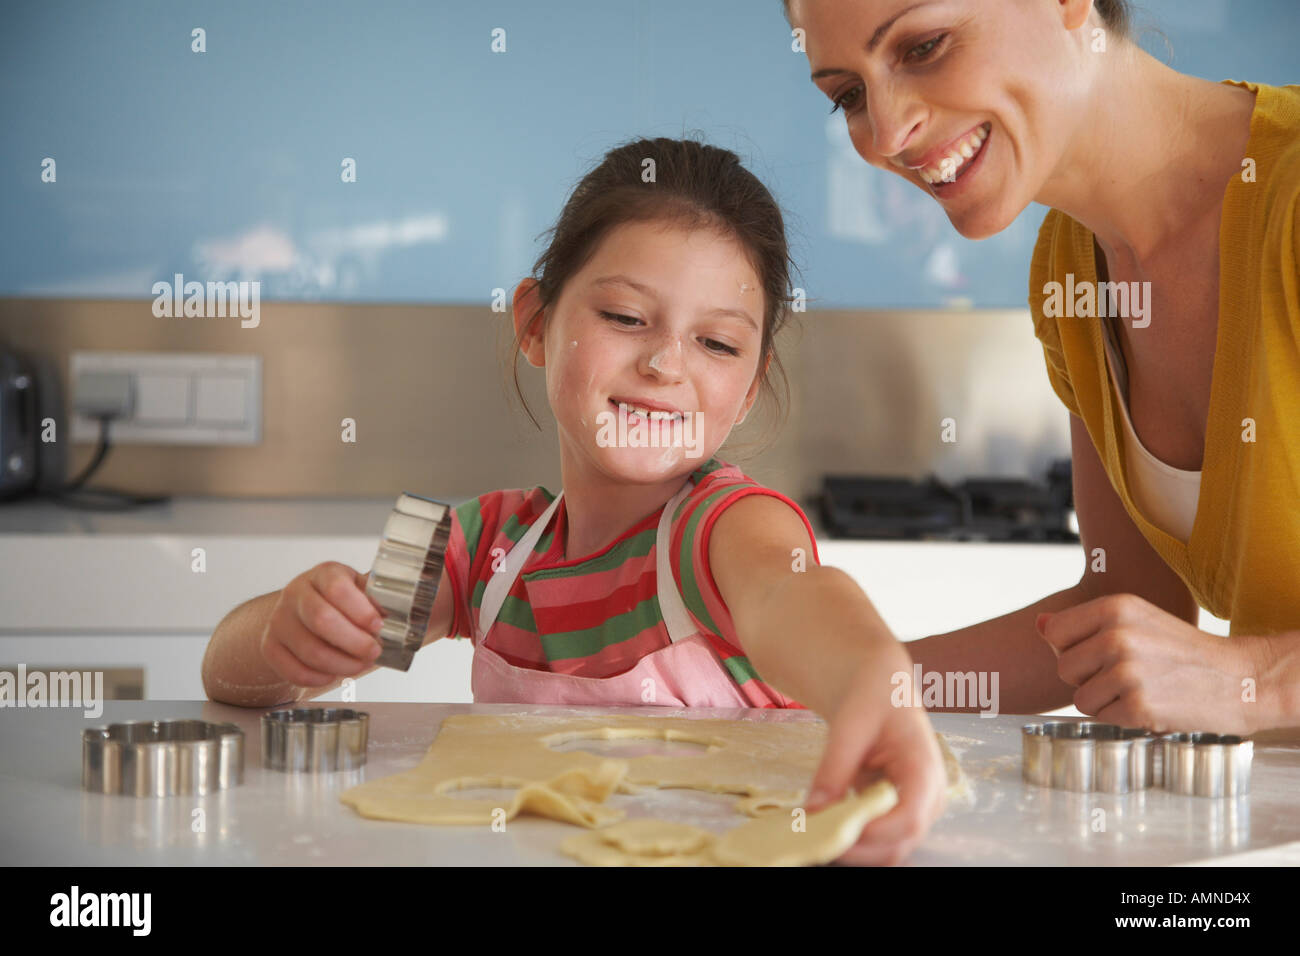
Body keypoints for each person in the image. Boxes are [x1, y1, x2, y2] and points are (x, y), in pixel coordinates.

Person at [204, 137, 949, 865]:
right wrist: (289, 632)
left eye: (717, 344)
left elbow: (794, 594)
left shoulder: (724, 528)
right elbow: (229, 674)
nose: (664, 364)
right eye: (625, 318)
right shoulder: (485, 547)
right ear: (534, 322)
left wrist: (866, 677)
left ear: (749, 389)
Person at [784, 0, 1300, 732]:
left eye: (925, 46)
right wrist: (841, 683)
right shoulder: (1069, 270)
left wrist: (1259, 682)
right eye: (850, 96)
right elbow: (1122, 606)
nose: (888, 132)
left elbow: (1237, 673)